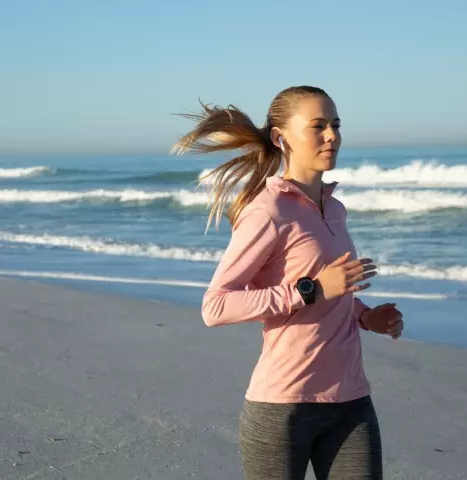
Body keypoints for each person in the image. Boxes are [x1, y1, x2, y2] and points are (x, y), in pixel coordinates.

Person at [172, 85, 405, 480]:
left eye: (335, 125)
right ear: (281, 137)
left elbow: (333, 292)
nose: (332, 135)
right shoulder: (268, 210)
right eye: (317, 126)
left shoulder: (334, 208)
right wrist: (308, 289)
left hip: (351, 401)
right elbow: (215, 306)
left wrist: (365, 317)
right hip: (284, 408)